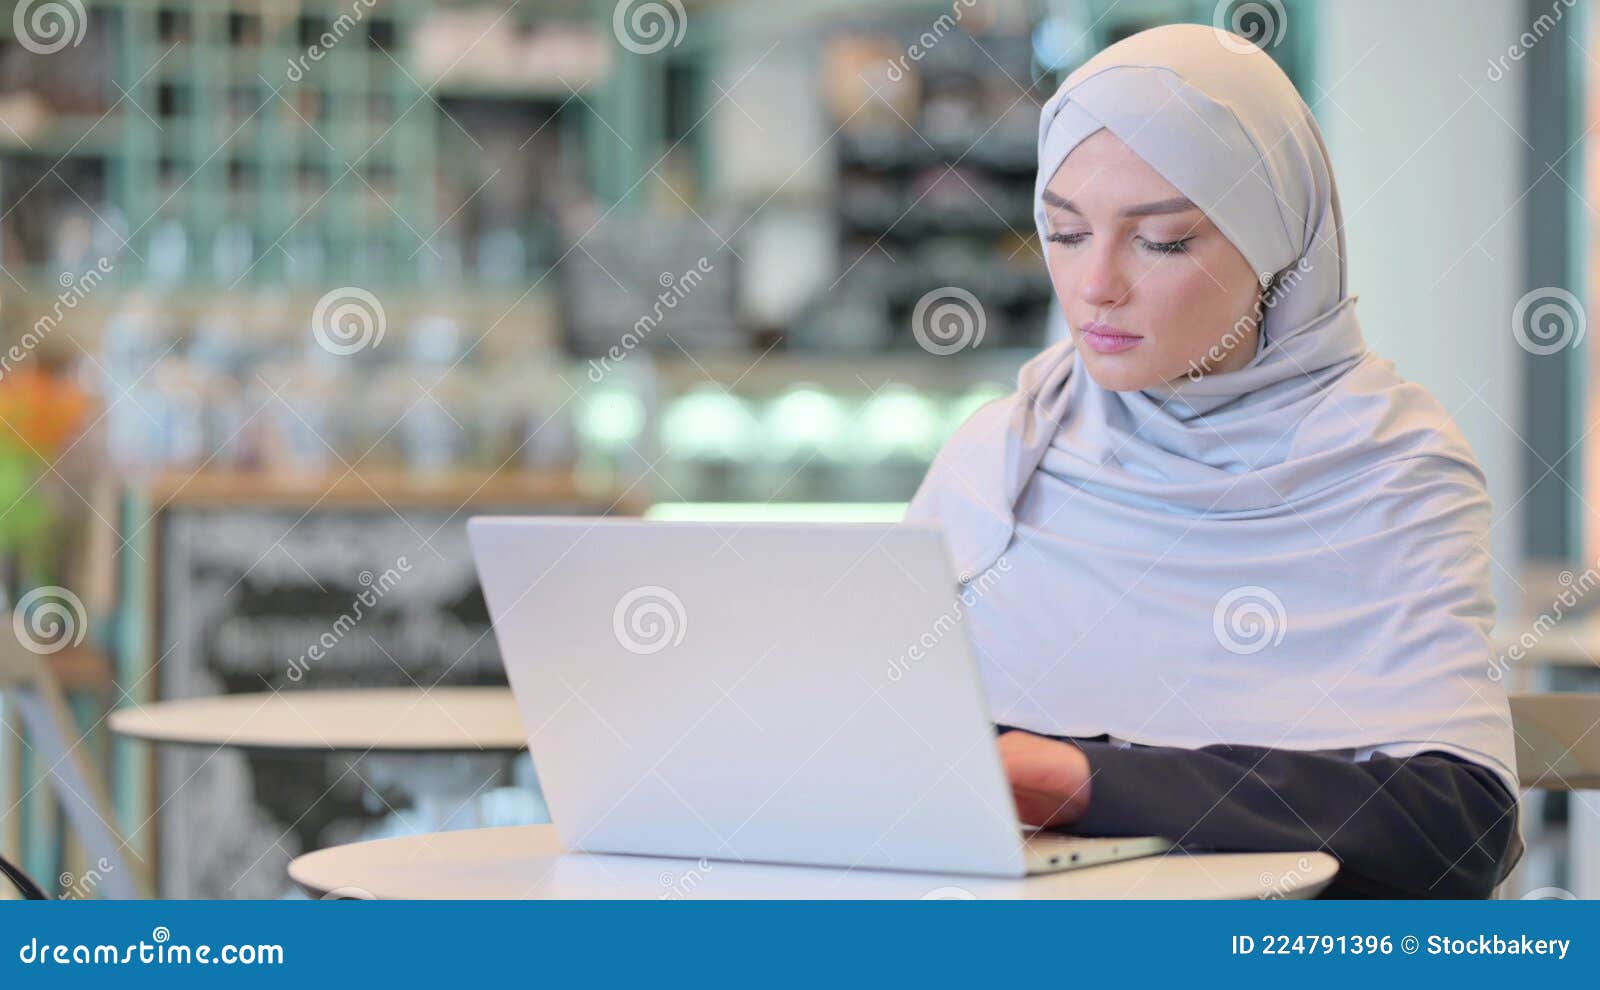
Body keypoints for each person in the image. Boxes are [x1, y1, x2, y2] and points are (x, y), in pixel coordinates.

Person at [904, 23, 1522, 899]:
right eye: (1065, 232)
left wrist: (1086, 783)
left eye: (1161, 241)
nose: (1095, 285)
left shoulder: (1387, 465)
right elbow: (880, 740)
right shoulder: (1002, 455)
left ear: (1277, 248)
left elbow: (1453, 829)